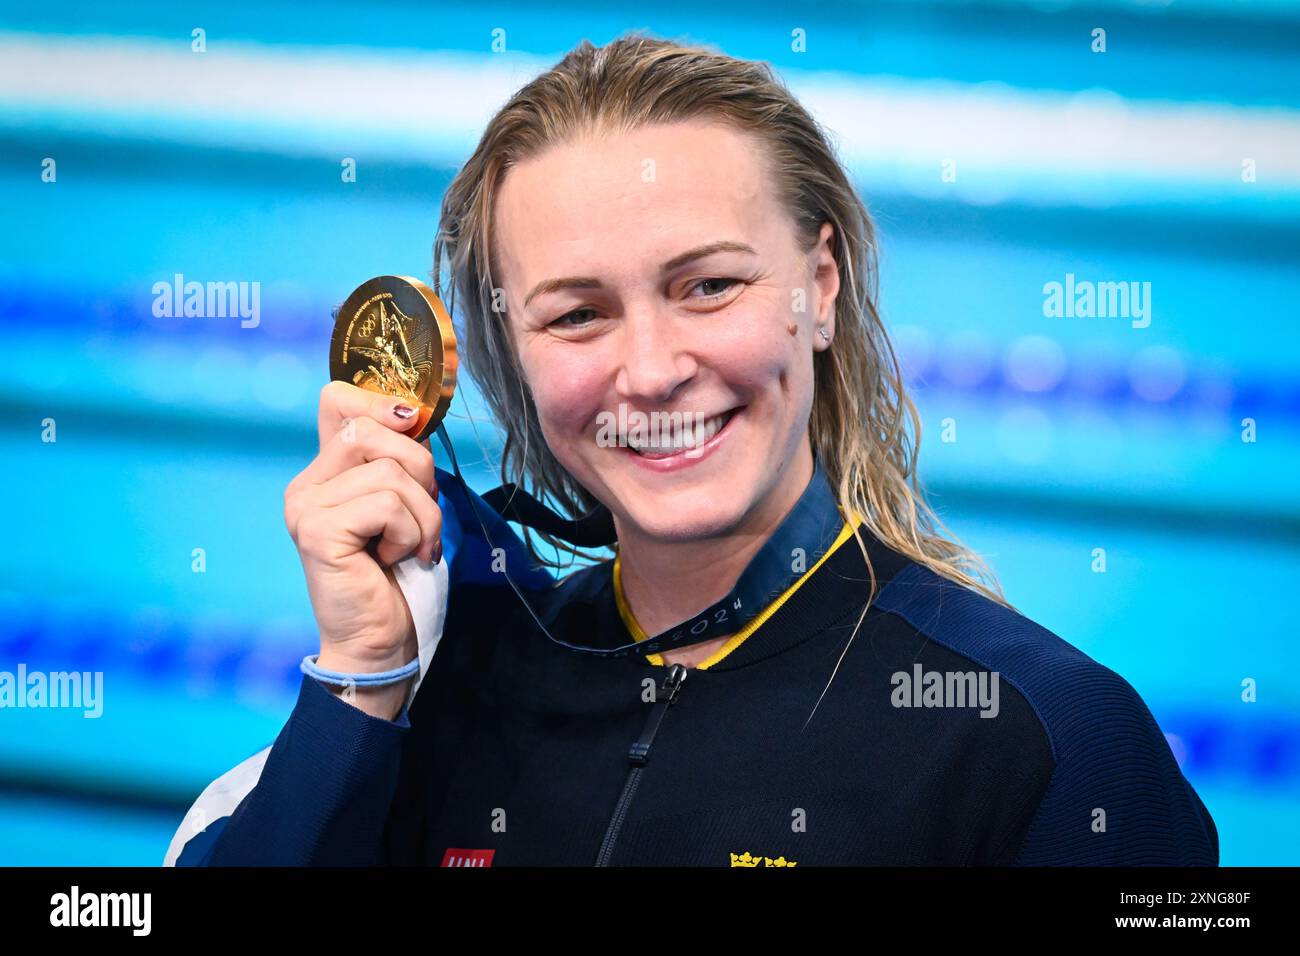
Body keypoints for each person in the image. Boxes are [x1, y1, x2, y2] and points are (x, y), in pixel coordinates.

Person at [165, 33, 1217, 867]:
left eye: (707, 285)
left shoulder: (1044, 737)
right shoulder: (439, 695)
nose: (653, 367)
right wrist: (363, 678)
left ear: (819, 285)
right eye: (577, 314)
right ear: (511, 356)